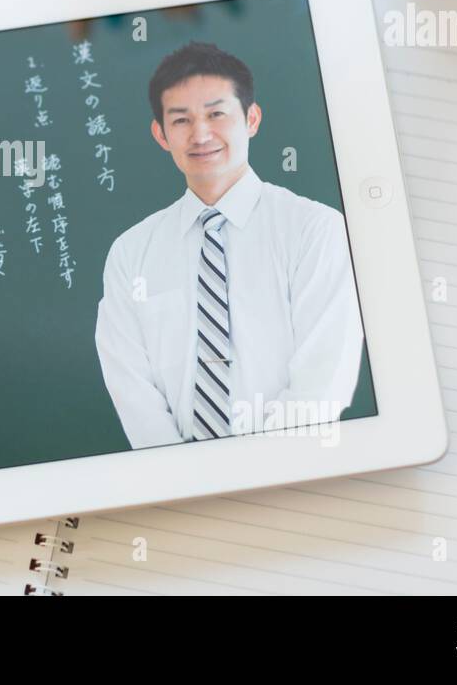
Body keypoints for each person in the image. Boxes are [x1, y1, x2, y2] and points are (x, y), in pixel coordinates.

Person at [95, 42, 364, 448]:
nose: (201, 134)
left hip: (295, 470)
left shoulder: (316, 229)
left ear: (251, 118)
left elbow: (324, 375)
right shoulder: (131, 252)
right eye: (181, 120)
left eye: (216, 114)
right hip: (176, 483)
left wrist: (249, 468)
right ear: (161, 135)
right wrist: (182, 475)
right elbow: (130, 384)